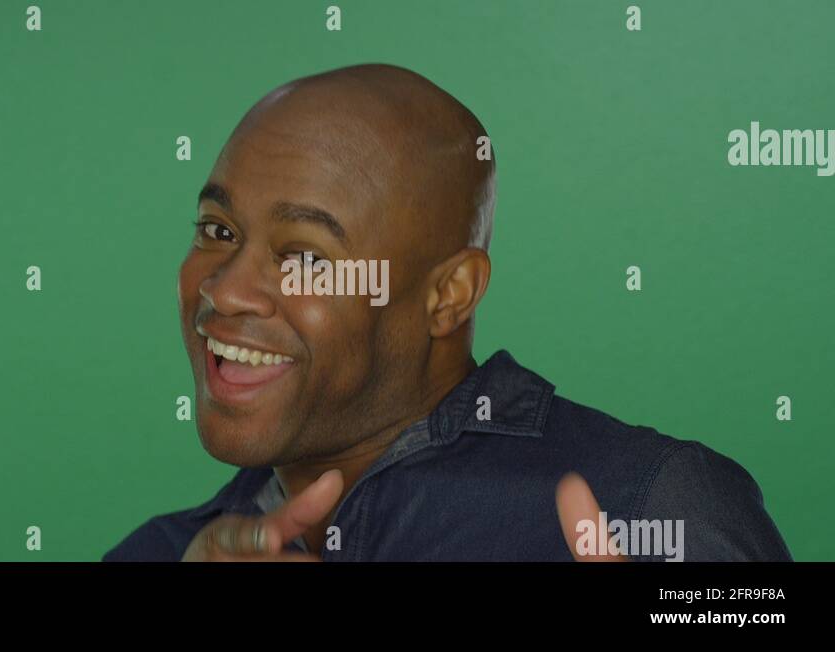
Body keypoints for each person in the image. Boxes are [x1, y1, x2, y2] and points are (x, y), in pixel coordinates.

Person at [103, 63, 791, 562]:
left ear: (449, 295)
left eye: (306, 257)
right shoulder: (157, 554)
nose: (224, 291)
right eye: (219, 231)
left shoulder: (650, 507)